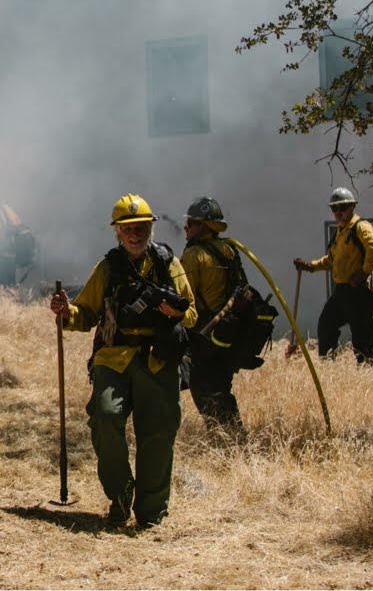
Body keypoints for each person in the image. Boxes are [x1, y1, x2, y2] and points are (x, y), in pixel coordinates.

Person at [49, 194, 196, 527]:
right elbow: (84, 313)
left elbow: (192, 313)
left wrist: (176, 313)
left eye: (141, 227)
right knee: (104, 416)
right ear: (117, 232)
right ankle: (119, 493)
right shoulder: (107, 268)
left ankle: (151, 513)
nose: (135, 234)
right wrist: (64, 311)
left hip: (159, 360)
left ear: (150, 228)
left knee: (158, 433)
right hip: (113, 359)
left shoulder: (169, 265)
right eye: (127, 228)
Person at [293, 187, 373, 364]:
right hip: (342, 291)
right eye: (334, 209)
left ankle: (367, 374)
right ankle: (329, 368)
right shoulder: (341, 231)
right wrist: (310, 266)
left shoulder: (360, 226)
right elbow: (332, 260)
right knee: (326, 324)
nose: (338, 212)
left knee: (361, 336)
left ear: (352, 207)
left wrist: (363, 273)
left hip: (358, 291)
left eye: (342, 208)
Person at [180, 196, 246, 431]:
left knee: (203, 387)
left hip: (205, 334)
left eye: (191, 223)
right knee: (221, 386)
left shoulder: (194, 255)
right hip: (228, 333)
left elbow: (184, 297)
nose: (186, 228)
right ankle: (234, 437)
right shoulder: (228, 249)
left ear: (203, 226)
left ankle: (226, 439)